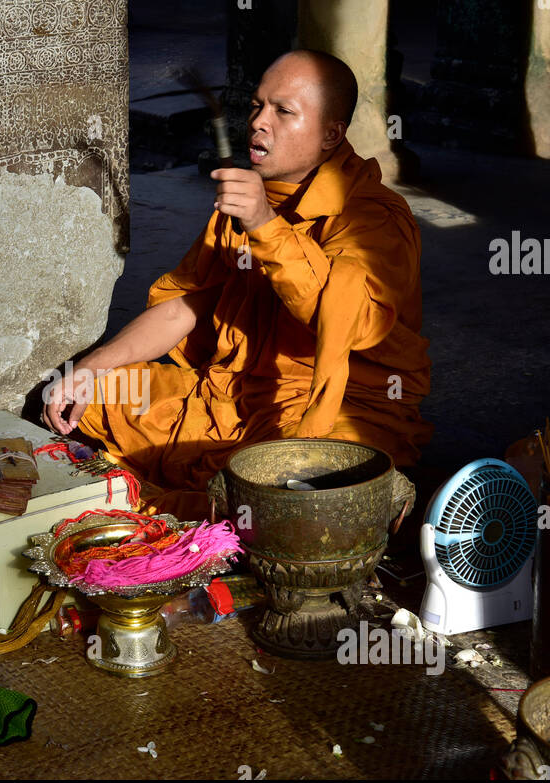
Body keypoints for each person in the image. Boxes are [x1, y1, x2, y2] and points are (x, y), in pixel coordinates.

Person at [44, 50, 432, 519]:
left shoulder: (371, 218)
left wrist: (266, 226)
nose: (258, 123)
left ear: (332, 133)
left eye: (283, 111)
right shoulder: (253, 198)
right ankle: (205, 506)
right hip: (229, 395)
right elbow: (184, 305)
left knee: (303, 488)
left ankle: (196, 510)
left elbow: (353, 324)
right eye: (256, 106)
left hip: (331, 407)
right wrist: (92, 366)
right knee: (88, 396)